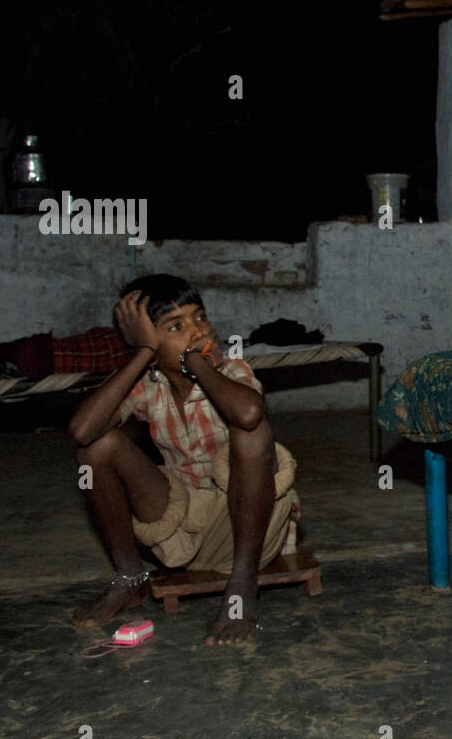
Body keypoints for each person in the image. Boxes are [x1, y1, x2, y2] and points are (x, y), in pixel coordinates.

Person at [67, 274, 301, 646]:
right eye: (176, 326)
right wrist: (143, 353)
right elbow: (82, 431)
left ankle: (242, 588)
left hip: (248, 528)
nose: (197, 331)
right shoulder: (148, 383)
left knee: (251, 432)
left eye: (200, 317)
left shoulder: (230, 370)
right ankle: (131, 578)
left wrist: (199, 365)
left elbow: (248, 413)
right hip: (186, 534)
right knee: (96, 448)